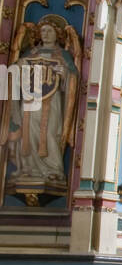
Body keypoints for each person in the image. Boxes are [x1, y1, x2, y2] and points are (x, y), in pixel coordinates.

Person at [5, 15, 79, 190]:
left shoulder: (63, 54)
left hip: (53, 102)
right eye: (42, 31)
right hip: (30, 100)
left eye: (49, 31)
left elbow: (73, 77)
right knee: (28, 131)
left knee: (50, 132)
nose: (45, 34)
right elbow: (14, 71)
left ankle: (53, 169)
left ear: (57, 34)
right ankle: (28, 168)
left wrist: (65, 74)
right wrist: (18, 67)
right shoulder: (31, 53)